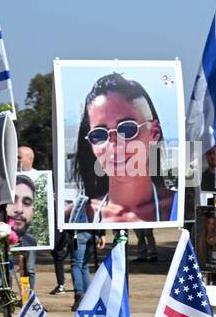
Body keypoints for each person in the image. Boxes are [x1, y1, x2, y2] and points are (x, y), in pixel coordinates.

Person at [67, 73, 177, 225]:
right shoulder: (74, 216)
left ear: (154, 133)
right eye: (99, 135)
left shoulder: (180, 208)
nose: (114, 145)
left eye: (127, 129)